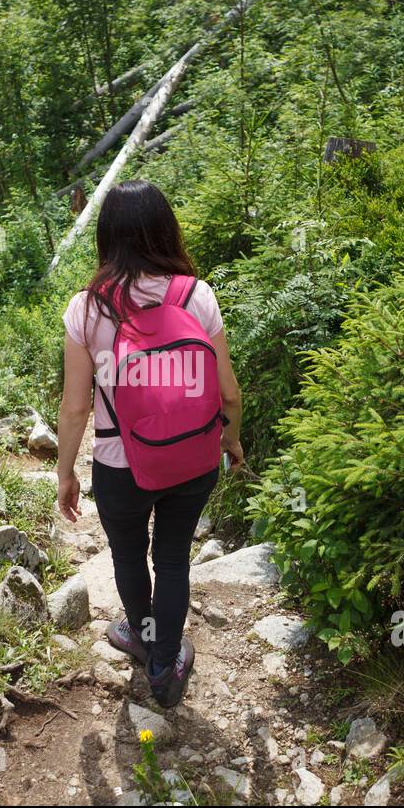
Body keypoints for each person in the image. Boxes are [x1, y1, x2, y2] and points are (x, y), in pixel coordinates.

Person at [56, 180, 244, 709]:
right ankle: (165, 665)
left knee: (129, 556)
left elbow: (75, 407)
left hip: (120, 466)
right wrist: (230, 439)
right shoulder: (196, 295)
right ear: (166, 228)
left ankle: (142, 636)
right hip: (193, 457)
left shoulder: (87, 310)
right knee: (174, 558)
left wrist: (64, 472)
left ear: (107, 237)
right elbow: (229, 392)